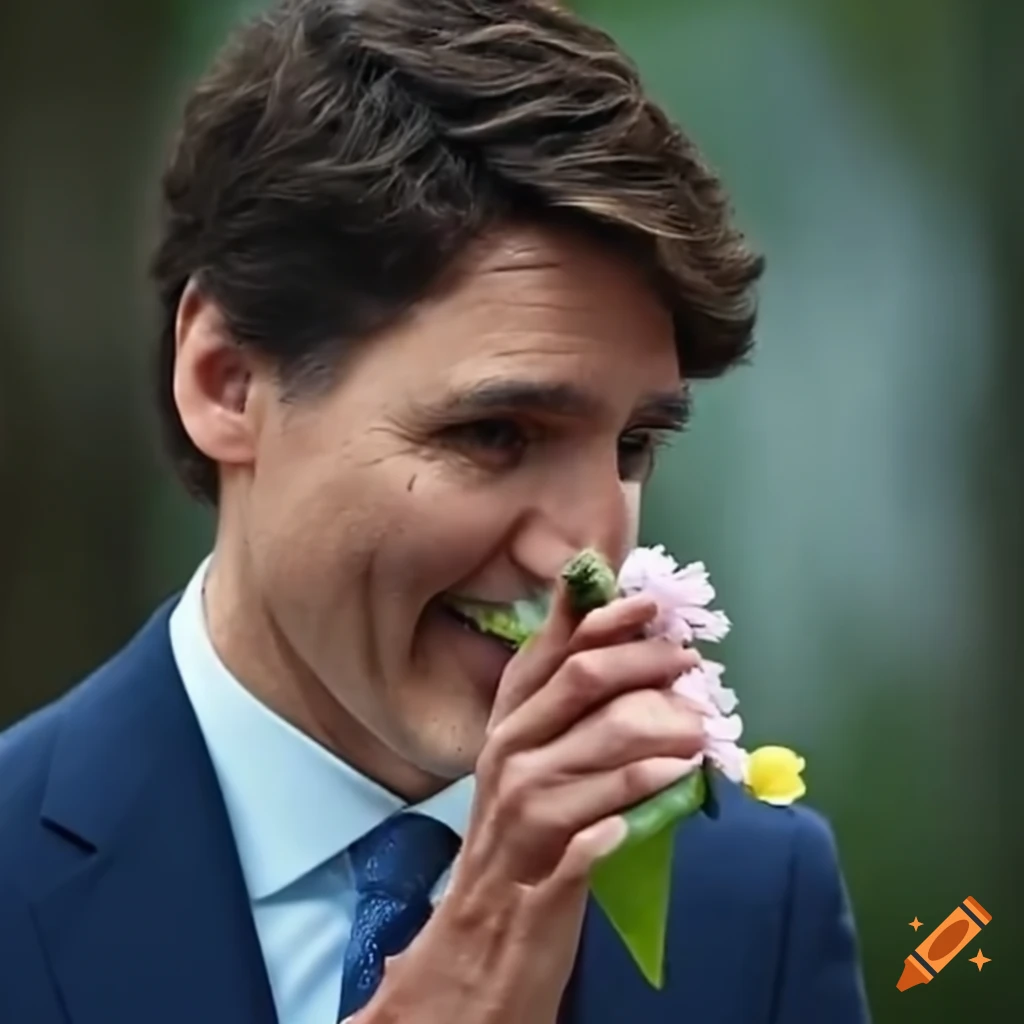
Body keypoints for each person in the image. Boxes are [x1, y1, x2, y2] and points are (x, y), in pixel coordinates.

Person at [0, 1, 870, 1022]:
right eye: (496, 433)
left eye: (633, 445)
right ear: (227, 382)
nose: (588, 551)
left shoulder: (755, 898)